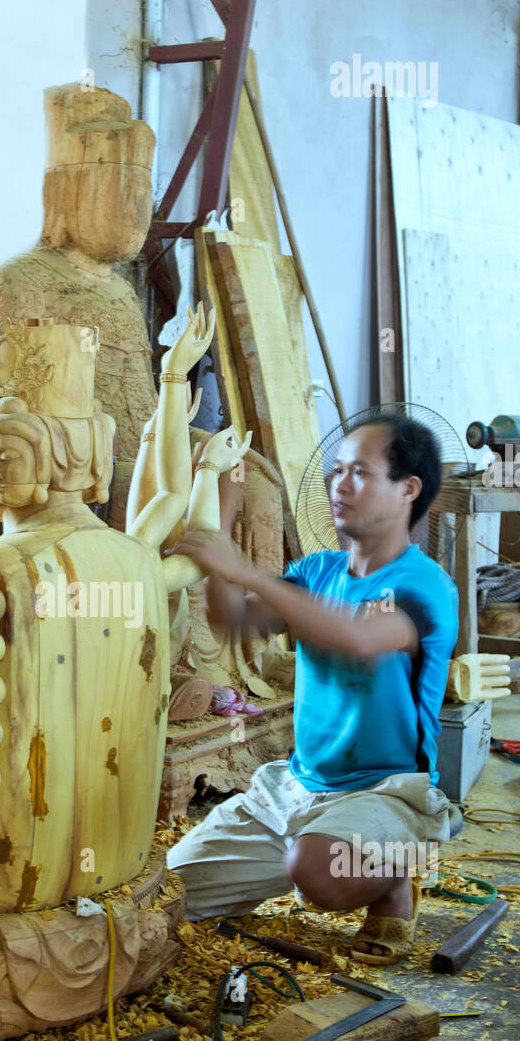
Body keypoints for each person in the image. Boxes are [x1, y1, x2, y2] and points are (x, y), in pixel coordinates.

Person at [167, 414, 460, 965]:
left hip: (384, 792)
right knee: (173, 894)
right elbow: (233, 618)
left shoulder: (425, 586)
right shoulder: (316, 571)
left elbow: (356, 638)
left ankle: (396, 873)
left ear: (408, 489)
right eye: (335, 471)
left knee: (317, 876)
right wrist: (220, 502)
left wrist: (250, 574)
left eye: (360, 472)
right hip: (292, 790)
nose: (339, 485)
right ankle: (304, 852)